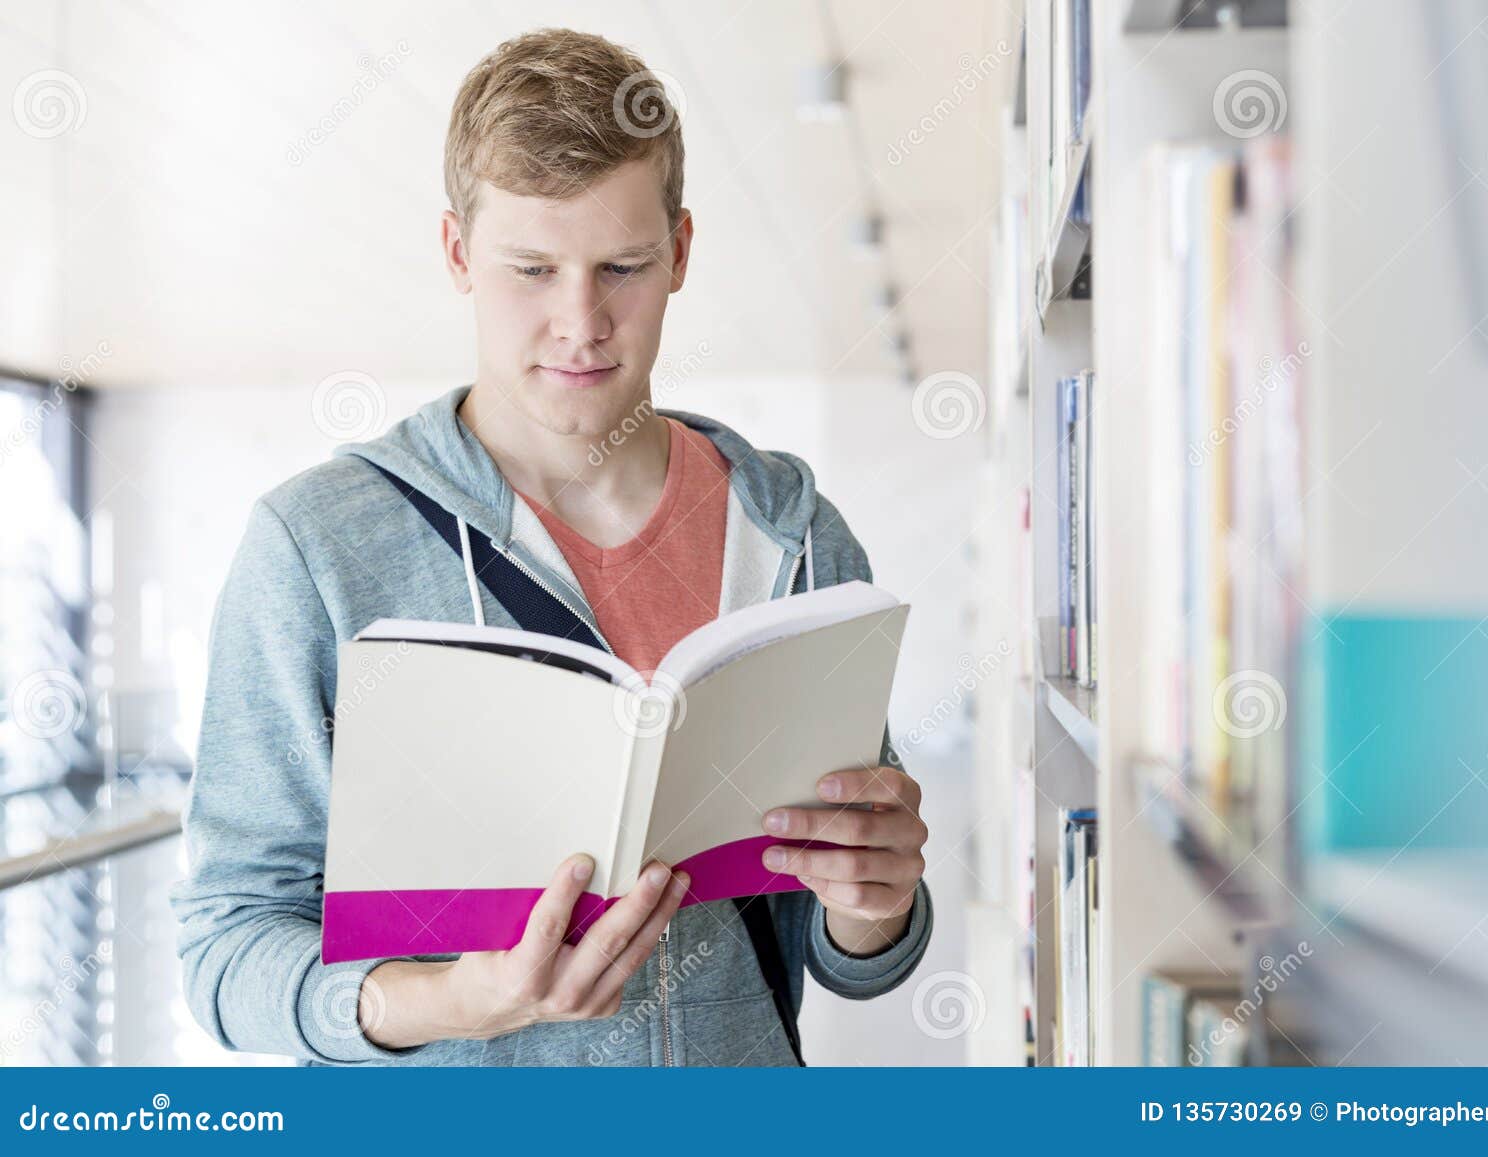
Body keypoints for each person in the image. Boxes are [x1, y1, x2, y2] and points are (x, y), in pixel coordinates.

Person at [170, 27, 931, 1067]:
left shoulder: (794, 537)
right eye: (531, 268)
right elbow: (225, 947)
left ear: (681, 253)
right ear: (455, 254)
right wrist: (446, 999)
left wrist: (876, 904)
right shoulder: (313, 550)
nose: (581, 323)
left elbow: (847, 946)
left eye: (621, 266)